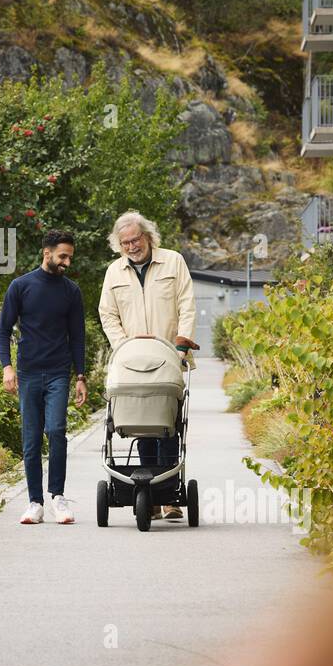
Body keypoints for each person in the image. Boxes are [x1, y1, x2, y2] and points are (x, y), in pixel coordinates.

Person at [98, 211, 199, 521]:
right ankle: (151, 500)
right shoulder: (115, 272)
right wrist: (123, 347)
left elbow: (187, 304)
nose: (131, 246)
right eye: (125, 242)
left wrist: (182, 344)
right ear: (119, 244)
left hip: (169, 358)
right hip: (132, 362)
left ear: (148, 237)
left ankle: (169, 499)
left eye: (136, 239)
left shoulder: (173, 262)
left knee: (168, 426)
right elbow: (108, 314)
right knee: (143, 423)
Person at [0, 230, 88, 525]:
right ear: (46, 253)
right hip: (28, 372)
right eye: (63, 256)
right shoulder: (20, 286)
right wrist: (6, 367)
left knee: (57, 430)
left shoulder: (71, 291)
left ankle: (57, 498)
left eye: (70, 257)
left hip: (59, 371)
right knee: (31, 437)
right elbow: (3, 331)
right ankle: (34, 502)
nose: (67, 262)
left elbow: (77, 337)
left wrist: (81, 376)